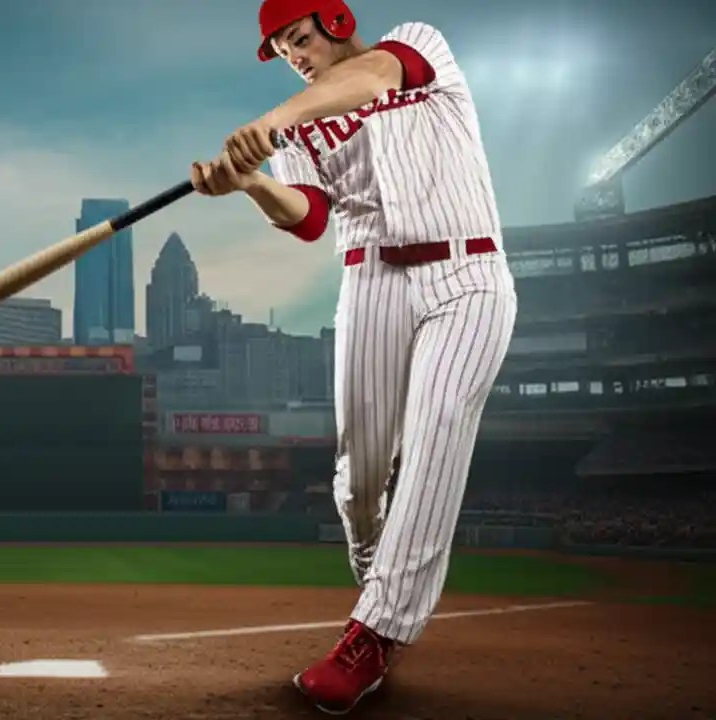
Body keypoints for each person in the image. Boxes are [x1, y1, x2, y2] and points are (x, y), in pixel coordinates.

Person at [190, 0, 518, 714]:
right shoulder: (300, 122)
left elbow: (372, 79)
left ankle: (375, 633)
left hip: (467, 277)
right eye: (280, 49)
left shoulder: (415, 46)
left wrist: (275, 118)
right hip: (371, 279)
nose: (293, 54)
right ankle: (377, 589)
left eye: (298, 37)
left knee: (435, 432)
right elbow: (307, 216)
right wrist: (249, 182)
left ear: (336, 21)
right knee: (357, 482)